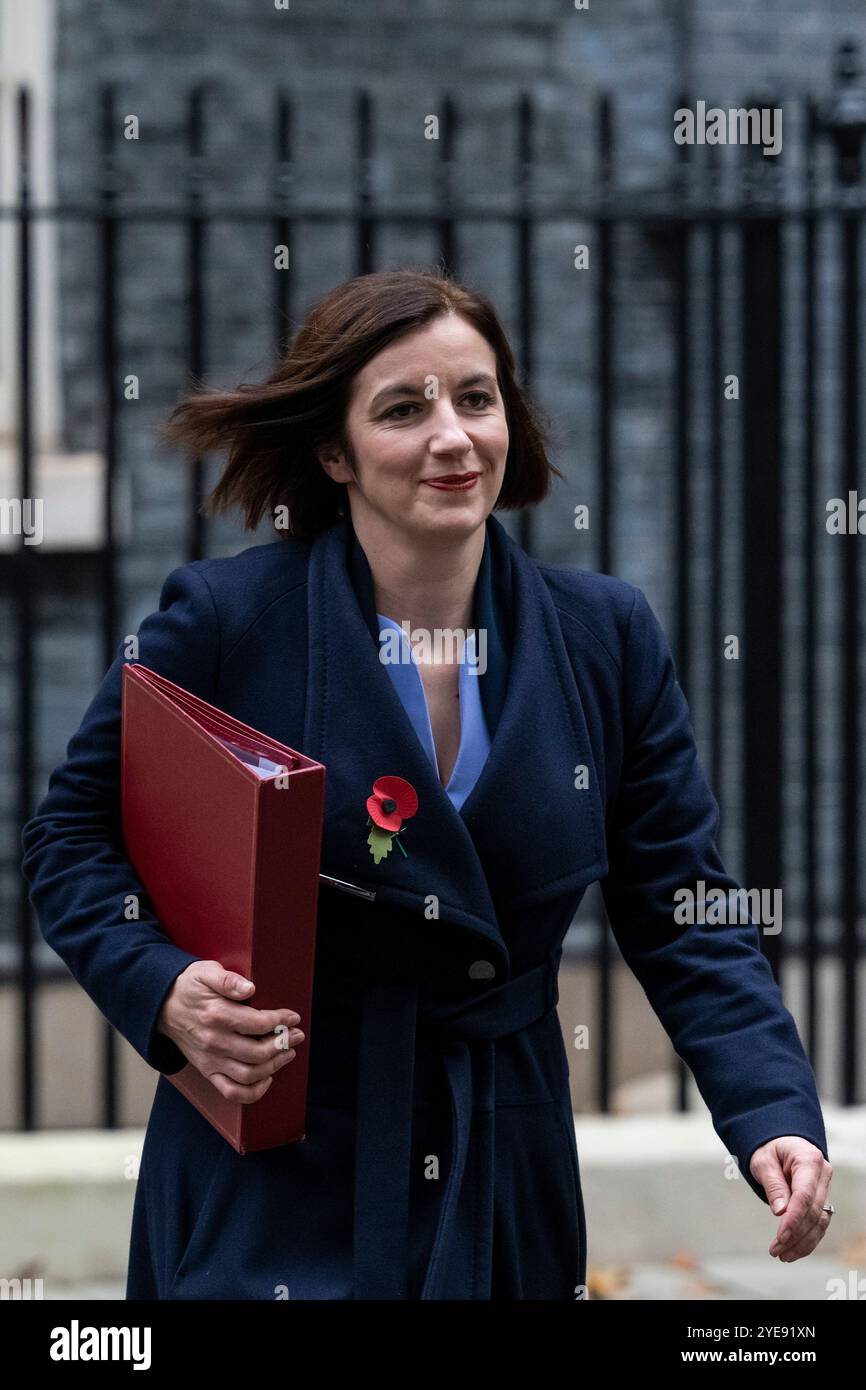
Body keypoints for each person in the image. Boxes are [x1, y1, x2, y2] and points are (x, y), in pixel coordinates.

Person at [21, 267, 833, 1300]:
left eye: (475, 397)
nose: (452, 436)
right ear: (334, 451)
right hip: (277, 1155)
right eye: (403, 408)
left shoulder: (604, 637)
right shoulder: (227, 620)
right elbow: (72, 837)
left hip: (500, 1154)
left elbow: (681, 908)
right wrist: (162, 989)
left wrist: (768, 1109)